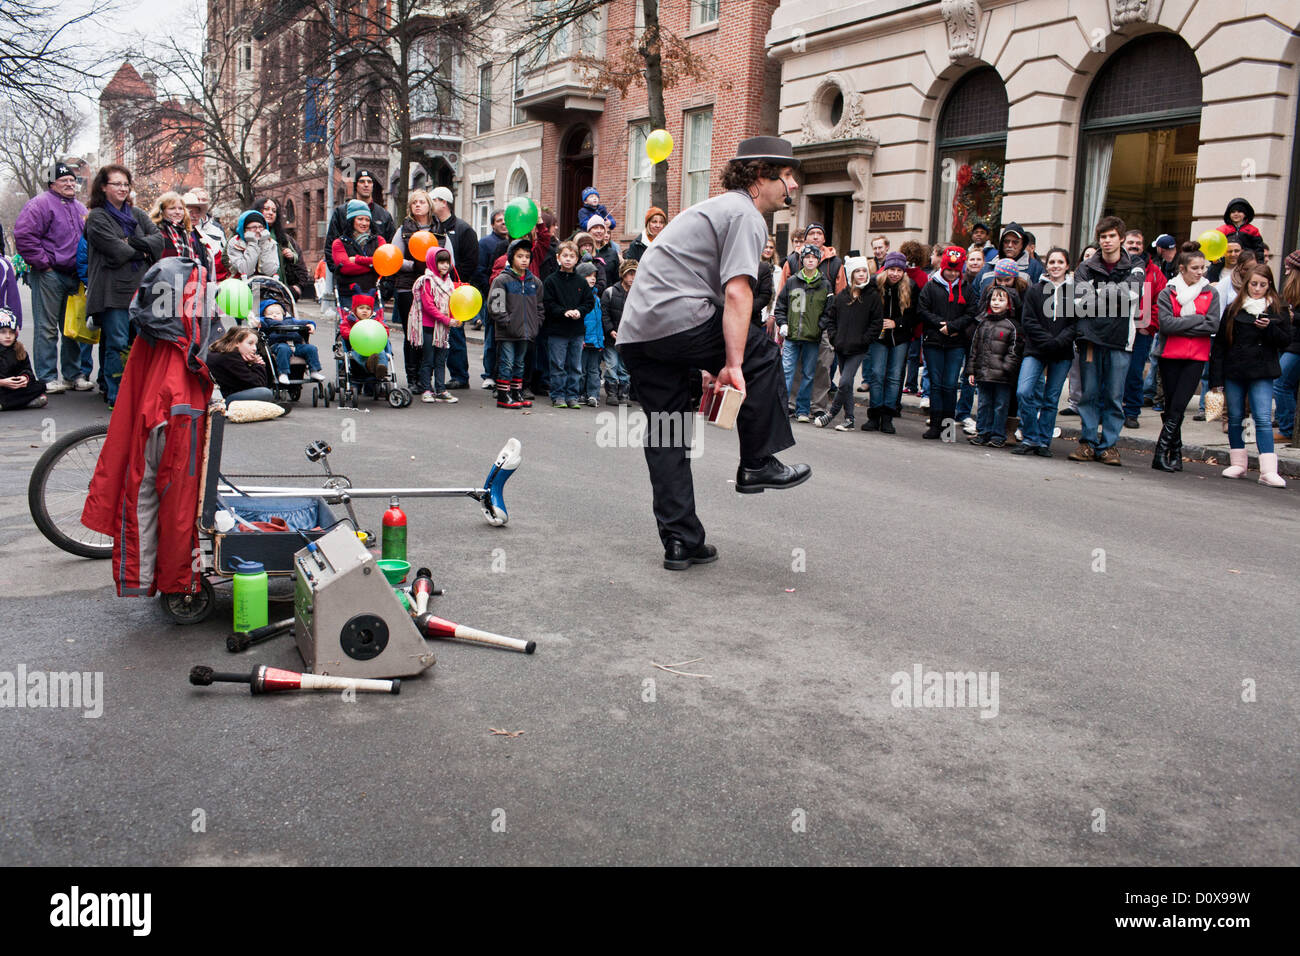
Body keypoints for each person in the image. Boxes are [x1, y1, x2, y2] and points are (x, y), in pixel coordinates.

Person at [617, 135, 811, 570]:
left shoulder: (717, 209)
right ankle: (758, 462)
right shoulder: (745, 214)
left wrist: (706, 363)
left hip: (639, 334)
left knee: (667, 433)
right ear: (761, 176)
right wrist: (734, 364)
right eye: (787, 176)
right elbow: (739, 293)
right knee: (762, 354)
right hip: (677, 320)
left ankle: (681, 540)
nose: (793, 186)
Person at [84, 164, 163, 407]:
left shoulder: (137, 214)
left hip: (140, 289)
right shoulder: (97, 217)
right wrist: (141, 248)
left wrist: (133, 244)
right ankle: (116, 395)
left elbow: (158, 241)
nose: (122, 188)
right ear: (103, 187)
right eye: (116, 183)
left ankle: (140, 392)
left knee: (141, 342)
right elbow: (116, 251)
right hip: (111, 292)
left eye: (125, 184)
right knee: (116, 343)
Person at [1068, 217, 1145, 465]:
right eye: (1103, 237)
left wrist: (1097, 294)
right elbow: (1079, 301)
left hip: (1121, 338)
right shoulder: (1086, 267)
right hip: (1091, 338)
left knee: (1114, 394)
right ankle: (1088, 442)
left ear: (1121, 238)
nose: (1107, 241)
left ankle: (1109, 446)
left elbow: (1132, 294)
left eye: (1111, 236)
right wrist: (1112, 295)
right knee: (1089, 393)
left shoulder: (1135, 264)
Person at [12, 161, 92, 393]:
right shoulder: (39, 204)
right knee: (46, 328)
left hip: (74, 276)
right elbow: (24, 235)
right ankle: (47, 377)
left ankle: (73, 375)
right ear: (52, 183)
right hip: (50, 274)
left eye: (72, 180)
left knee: (72, 328)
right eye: (64, 180)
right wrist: (43, 264)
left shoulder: (80, 208)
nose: (70, 184)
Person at [1209, 263, 1290, 486]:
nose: (1257, 288)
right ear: (1246, 284)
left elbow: (1286, 340)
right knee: (1235, 417)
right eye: (1253, 284)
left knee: (1263, 418)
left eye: (1262, 285)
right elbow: (1220, 345)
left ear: (1269, 285)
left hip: (1262, 370)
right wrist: (1216, 379)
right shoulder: (1234, 308)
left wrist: (1269, 328)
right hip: (1235, 369)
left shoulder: (1277, 309)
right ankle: (1238, 463)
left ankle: (1268, 470)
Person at [1149, 241, 1220, 472]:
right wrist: (1198, 320)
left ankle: (1160, 453)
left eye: (1203, 268)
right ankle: (1175, 452)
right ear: (1182, 269)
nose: (1201, 272)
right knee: (1171, 406)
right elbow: (1167, 325)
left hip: (1196, 357)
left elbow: (1213, 323)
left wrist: (1185, 324)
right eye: (1195, 268)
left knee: (1178, 405)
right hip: (1169, 354)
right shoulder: (1168, 292)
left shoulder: (1211, 292)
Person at [1014, 248, 1075, 457]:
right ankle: (1030, 435)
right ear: (1046, 265)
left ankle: (1042, 441)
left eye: (1060, 262)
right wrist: (1047, 340)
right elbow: (1028, 321)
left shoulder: (1075, 292)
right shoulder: (1035, 290)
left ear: (1067, 265)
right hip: (1036, 350)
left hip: (1062, 351)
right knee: (1024, 391)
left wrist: (1059, 342)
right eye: (1051, 262)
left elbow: (1076, 324)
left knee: (1051, 399)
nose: (1055, 266)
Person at [917, 245, 977, 439]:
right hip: (934, 341)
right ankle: (935, 425)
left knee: (950, 385)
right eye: (949, 269)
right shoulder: (931, 286)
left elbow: (971, 313)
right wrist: (939, 324)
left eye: (955, 270)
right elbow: (923, 310)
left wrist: (953, 326)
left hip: (956, 343)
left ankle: (948, 428)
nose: (952, 273)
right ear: (943, 267)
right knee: (936, 384)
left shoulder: (966, 288)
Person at [815, 256, 881, 431]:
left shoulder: (872, 296)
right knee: (848, 384)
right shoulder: (842, 296)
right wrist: (834, 337)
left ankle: (831, 413)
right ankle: (849, 419)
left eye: (864, 271)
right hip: (841, 346)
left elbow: (876, 324)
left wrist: (864, 340)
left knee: (844, 382)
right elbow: (831, 319)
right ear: (851, 273)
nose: (861, 274)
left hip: (858, 348)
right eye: (857, 271)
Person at [428, 185, 478, 389]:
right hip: (434, 288)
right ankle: (432, 375)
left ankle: (459, 375)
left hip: (456, 290)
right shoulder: (432, 228)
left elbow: (471, 261)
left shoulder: (464, 229)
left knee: (455, 332)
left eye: (433, 201)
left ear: (443, 202)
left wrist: (453, 282)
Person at [776, 245, 834, 422]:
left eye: (813, 258)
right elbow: (781, 306)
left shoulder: (825, 284)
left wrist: (820, 326)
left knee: (809, 373)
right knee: (787, 372)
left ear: (818, 261)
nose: (810, 260)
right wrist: (783, 323)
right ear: (802, 261)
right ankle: (782, 407)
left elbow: (829, 310)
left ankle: (802, 410)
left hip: (812, 337)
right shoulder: (792, 281)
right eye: (807, 257)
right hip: (792, 335)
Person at [1117, 228, 1167, 430]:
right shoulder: (1117, 267)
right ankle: (1111, 409)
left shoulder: (1155, 273)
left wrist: (1150, 325)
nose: (1134, 246)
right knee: (1114, 371)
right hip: (1117, 328)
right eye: (1130, 243)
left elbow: (1160, 302)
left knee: (1135, 372)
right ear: (1123, 244)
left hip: (1141, 331)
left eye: (1138, 243)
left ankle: (1131, 412)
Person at [865, 251, 918, 433]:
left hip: (900, 338)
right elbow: (866, 308)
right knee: (877, 374)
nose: (895, 274)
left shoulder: (911, 286)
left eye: (899, 270)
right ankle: (874, 413)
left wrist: (898, 323)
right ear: (885, 269)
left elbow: (915, 315)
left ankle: (888, 415)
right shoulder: (875, 283)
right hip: (879, 337)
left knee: (894, 377)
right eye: (891, 269)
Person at [967, 286, 1023, 448]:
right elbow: (975, 349)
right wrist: (971, 370)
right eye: (993, 299)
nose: (996, 303)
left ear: (1009, 304)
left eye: (1001, 300)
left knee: (1000, 405)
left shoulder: (1011, 325)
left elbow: (1014, 351)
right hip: (984, 373)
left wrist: (1006, 368)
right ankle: (983, 432)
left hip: (1002, 376)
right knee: (984, 403)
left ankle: (998, 434)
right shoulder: (983, 323)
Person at [488, 238, 541, 409]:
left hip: (526, 331)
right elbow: (495, 306)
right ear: (511, 258)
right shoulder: (502, 280)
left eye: (527, 256)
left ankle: (516, 392)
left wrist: (536, 324)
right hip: (508, 332)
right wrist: (507, 322)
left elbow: (540, 307)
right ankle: (503, 395)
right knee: (507, 362)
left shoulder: (535, 283)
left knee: (520, 363)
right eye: (520, 256)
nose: (524, 260)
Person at [542, 240, 594, 408]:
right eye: (565, 256)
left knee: (575, 365)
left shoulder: (581, 282)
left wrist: (580, 311)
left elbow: (589, 302)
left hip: (577, 331)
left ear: (577, 259)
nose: (568, 259)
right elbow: (548, 303)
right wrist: (563, 312)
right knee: (558, 365)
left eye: (572, 256)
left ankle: (572, 395)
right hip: (557, 331)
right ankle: (558, 395)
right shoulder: (550, 281)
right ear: (558, 258)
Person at [393, 189, 436, 388]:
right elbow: (394, 258)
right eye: (414, 203)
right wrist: (414, 265)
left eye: (422, 202)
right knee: (411, 333)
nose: (418, 205)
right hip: (407, 287)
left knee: (429, 333)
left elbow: (448, 257)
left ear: (429, 205)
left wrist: (434, 268)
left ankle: (425, 377)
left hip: (433, 286)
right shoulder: (403, 230)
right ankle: (412, 378)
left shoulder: (439, 229)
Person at [413, 247, 459, 403]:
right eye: (441, 262)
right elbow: (429, 306)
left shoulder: (449, 283)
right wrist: (447, 320)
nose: (445, 266)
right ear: (433, 262)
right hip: (429, 327)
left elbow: (453, 303)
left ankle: (441, 389)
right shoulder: (427, 281)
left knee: (440, 360)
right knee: (428, 359)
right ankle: (426, 389)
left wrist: (455, 318)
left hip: (443, 329)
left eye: (447, 262)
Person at [474, 208, 511, 388]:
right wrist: (491, 291)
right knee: (491, 335)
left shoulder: (516, 241)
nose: (503, 223)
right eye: (499, 220)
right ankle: (489, 373)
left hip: (513, 298)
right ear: (492, 224)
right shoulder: (486, 244)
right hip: (493, 295)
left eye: (506, 220)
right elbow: (480, 271)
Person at [324, 169, 395, 254]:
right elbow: (330, 246)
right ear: (356, 185)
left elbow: (391, 247)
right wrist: (339, 266)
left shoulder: (384, 215)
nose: (366, 185)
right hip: (347, 265)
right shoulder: (341, 212)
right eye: (362, 181)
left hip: (375, 265)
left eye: (369, 182)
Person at [257, 298, 325, 384]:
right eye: (270, 314)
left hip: (296, 345)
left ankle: (314, 371)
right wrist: (257, 322)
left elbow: (304, 322)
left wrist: (311, 325)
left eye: (277, 313)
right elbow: (259, 321)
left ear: (283, 314)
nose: (274, 315)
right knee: (284, 349)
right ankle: (283, 373)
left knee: (311, 349)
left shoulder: (290, 320)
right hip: (278, 345)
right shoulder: (266, 321)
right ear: (264, 315)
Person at [331, 201, 382, 310]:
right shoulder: (339, 243)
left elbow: (384, 262)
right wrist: (373, 265)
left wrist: (357, 260)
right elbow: (345, 268)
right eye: (360, 219)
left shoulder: (379, 240)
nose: (364, 223)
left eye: (367, 220)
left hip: (372, 294)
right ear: (351, 220)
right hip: (349, 295)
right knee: (350, 326)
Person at [256, 196, 310, 299]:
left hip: (279, 289)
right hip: (254, 289)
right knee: (255, 314)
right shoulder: (245, 235)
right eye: (266, 209)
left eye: (274, 211)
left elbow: (299, 264)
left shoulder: (284, 239)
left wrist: (297, 288)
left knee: (276, 314)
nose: (271, 213)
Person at [205, 326, 276, 403]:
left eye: (255, 344)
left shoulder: (226, 354)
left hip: (228, 395)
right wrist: (257, 364)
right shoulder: (230, 357)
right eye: (250, 343)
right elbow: (259, 384)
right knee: (265, 393)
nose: (254, 348)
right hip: (225, 400)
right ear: (236, 342)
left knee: (265, 393)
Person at [1272, 250, 1300, 444]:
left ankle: (1287, 428)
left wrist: (1293, 317)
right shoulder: (1293, 291)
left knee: (1280, 383)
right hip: (1291, 342)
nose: (1286, 270)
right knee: (1285, 384)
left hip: (1297, 346)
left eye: (1289, 267)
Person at [601, 257, 635, 405]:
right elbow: (605, 313)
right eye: (630, 273)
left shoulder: (639, 294)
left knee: (624, 367)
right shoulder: (610, 292)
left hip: (628, 338)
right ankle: (612, 393)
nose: (632, 277)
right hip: (612, 336)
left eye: (635, 274)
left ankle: (624, 394)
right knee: (611, 364)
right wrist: (610, 330)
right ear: (623, 274)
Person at [0, 308, 48, 409]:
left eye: (11, 332)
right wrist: (3, 382)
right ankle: (21, 403)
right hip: (2, 386)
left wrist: (24, 378)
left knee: (41, 386)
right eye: (3, 332)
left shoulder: (19, 349)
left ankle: (7, 404)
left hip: (12, 389)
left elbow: (27, 370)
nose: (8, 336)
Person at [339, 294, 393, 381]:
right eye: (361, 308)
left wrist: (381, 333)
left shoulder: (375, 320)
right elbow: (343, 330)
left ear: (371, 311)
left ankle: (381, 369)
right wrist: (354, 334)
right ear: (355, 310)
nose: (364, 311)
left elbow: (384, 329)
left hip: (375, 346)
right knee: (358, 354)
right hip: (357, 346)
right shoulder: (349, 319)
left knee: (382, 353)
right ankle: (368, 366)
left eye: (368, 309)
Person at [150, 192, 209, 268]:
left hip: (184, 276)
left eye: (180, 208)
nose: (177, 212)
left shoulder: (186, 233)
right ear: (162, 211)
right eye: (172, 208)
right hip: (161, 277)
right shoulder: (156, 231)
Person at [578, 261, 604, 405]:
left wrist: (600, 340)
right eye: (589, 275)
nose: (593, 278)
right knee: (581, 369)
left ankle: (593, 395)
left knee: (594, 370)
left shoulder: (597, 298)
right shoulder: (578, 297)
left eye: (594, 275)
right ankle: (580, 393)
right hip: (583, 340)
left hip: (595, 341)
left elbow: (599, 321)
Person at [226, 209, 279, 279]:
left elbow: (269, 271)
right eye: (253, 227)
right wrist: (252, 243)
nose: (258, 230)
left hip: (264, 285)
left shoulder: (270, 243)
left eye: (260, 227)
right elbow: (245, 270)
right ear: (244, 229)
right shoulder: (235, 243)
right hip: (240, 285)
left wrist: (264, 243)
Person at [183, 188, 226, 274]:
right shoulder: (181, 232)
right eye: (191, 212)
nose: (194, 216)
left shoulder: (217, 228)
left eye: (197, 212)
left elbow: (224, 253)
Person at [586, 215, 622, 290]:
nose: (599, 231)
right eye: (595, 228)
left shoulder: (612, 253)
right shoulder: (584, 252)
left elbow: (617, 280)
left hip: (608, 298)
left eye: (601, 228)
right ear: (589, 231)